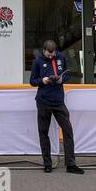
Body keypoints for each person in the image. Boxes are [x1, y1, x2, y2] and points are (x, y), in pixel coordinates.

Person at [30, 40, 82, 174]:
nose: (50, 56)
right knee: (43, 133)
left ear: (56, 51)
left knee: (68, 131)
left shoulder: (61, 57)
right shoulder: (37, 61)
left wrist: (61, 80)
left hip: (59, 101)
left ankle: (71, 164)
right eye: (48, 54)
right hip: (43, 101)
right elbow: (32, 81)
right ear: (44, 50)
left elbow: (68, 75)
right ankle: (47, 164)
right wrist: (43, 80)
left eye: (52, 54)